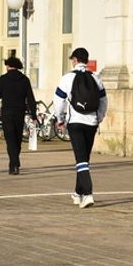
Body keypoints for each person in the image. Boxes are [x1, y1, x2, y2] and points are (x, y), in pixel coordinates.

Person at [54, 47, 107, 208]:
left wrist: (59, 118)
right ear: (87, 60)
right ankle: (78, 193)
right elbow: (104, 101)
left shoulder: (67, 78)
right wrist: (99, 117)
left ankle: (88, 193)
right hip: (91, 122)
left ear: (75, 60)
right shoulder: (96, 77)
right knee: (84, 159)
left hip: (75, 122)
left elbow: (59, 100)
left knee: (81, 160)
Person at [0, 56, 36, 175]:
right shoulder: (24, 79)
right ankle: (14, 163)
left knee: (10, 139)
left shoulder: (3, 78)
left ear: (8, 66)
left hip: (7, 112)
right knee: (17, 139)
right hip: (20, 113)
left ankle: (14, 164)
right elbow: (31, 98)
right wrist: (34, 115)